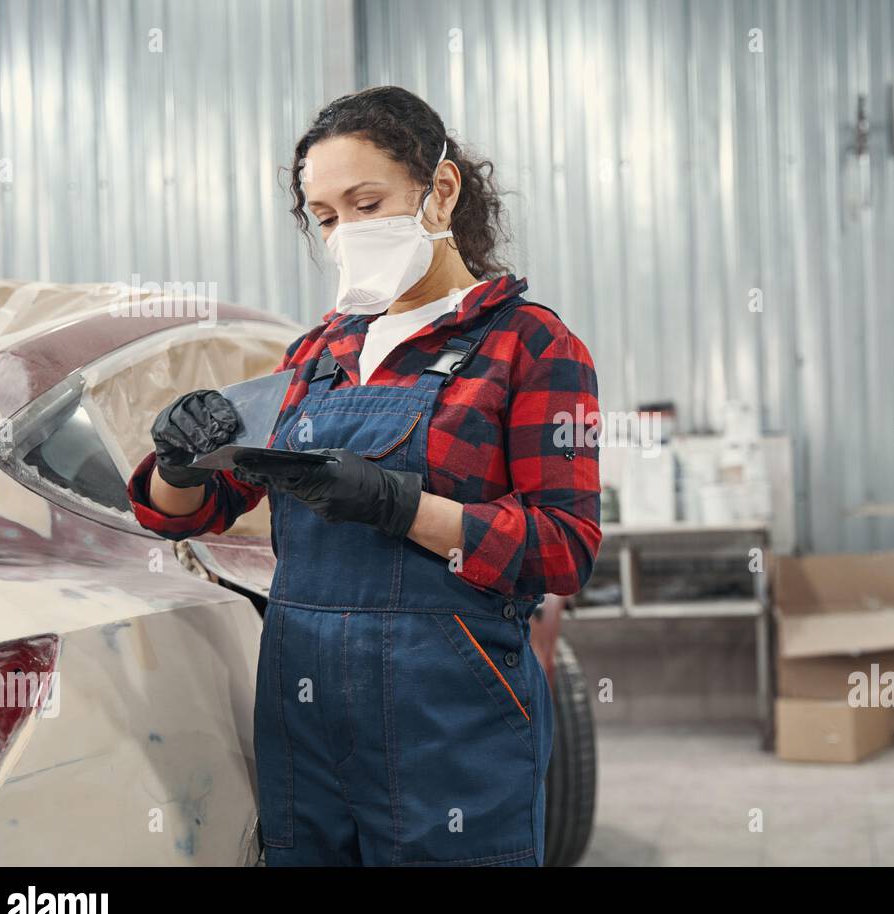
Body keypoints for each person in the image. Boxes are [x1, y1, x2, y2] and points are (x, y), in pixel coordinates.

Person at [126, 85, 602, 867]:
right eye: (326, 217)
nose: (346, 232)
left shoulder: (530, 346)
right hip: (304, 710)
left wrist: (398, 506)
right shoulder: (317, 356)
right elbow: (187, 513)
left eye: (366, 201)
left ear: (439, 191)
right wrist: (178, 461)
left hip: (446, 717)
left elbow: (563, 551)